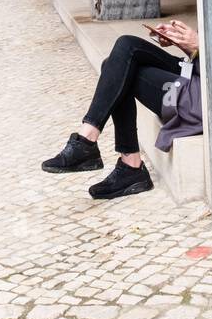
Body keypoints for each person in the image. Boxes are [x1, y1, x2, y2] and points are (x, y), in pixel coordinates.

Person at [42, 20, 202, 200]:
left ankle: (94, 146)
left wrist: (198, 43)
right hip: (195, 72)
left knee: (121, 71)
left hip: (200, 97)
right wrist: (186, 43)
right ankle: (124, 161)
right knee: (122, 52)